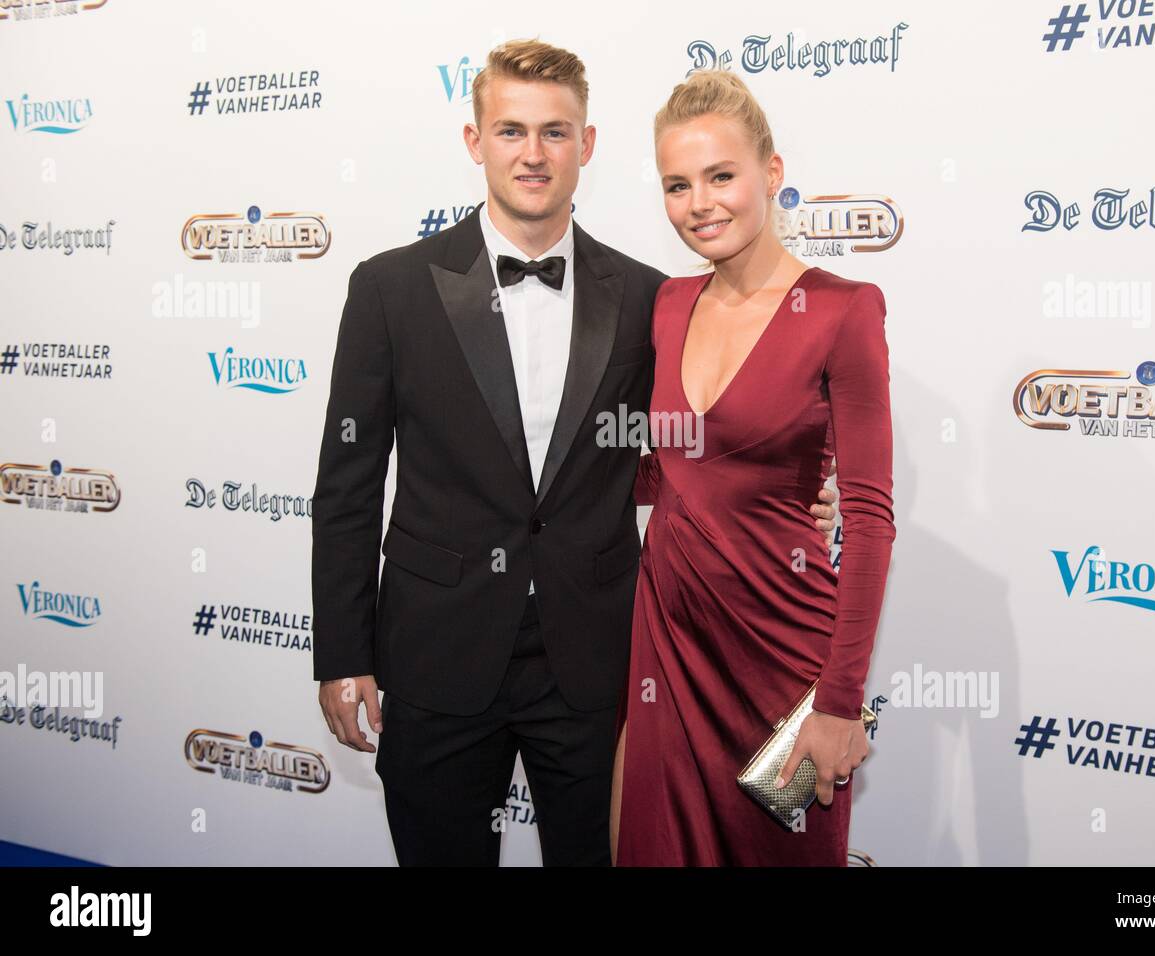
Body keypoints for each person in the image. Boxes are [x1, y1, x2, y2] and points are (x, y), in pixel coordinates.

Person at [311, 39, 838, 866]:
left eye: (556, 132)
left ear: (587, 146)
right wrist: (343, 654)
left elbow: (680, 446)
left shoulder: (648, 299)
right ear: (474, 140)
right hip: (435, 654)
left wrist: (794, 485)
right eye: (512, 130)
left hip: (596, 657)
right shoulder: (389, 289)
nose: (533, 153)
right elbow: (345, 488)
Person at [612, 70, 896, 866]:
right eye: (677, 184)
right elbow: (668, 470)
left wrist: (839, 704)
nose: (699, 202)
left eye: (721, 175)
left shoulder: (844, 309)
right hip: (668, 643)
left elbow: (870, 519)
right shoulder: (668, 304)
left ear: (772, 173)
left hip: (781, 648)